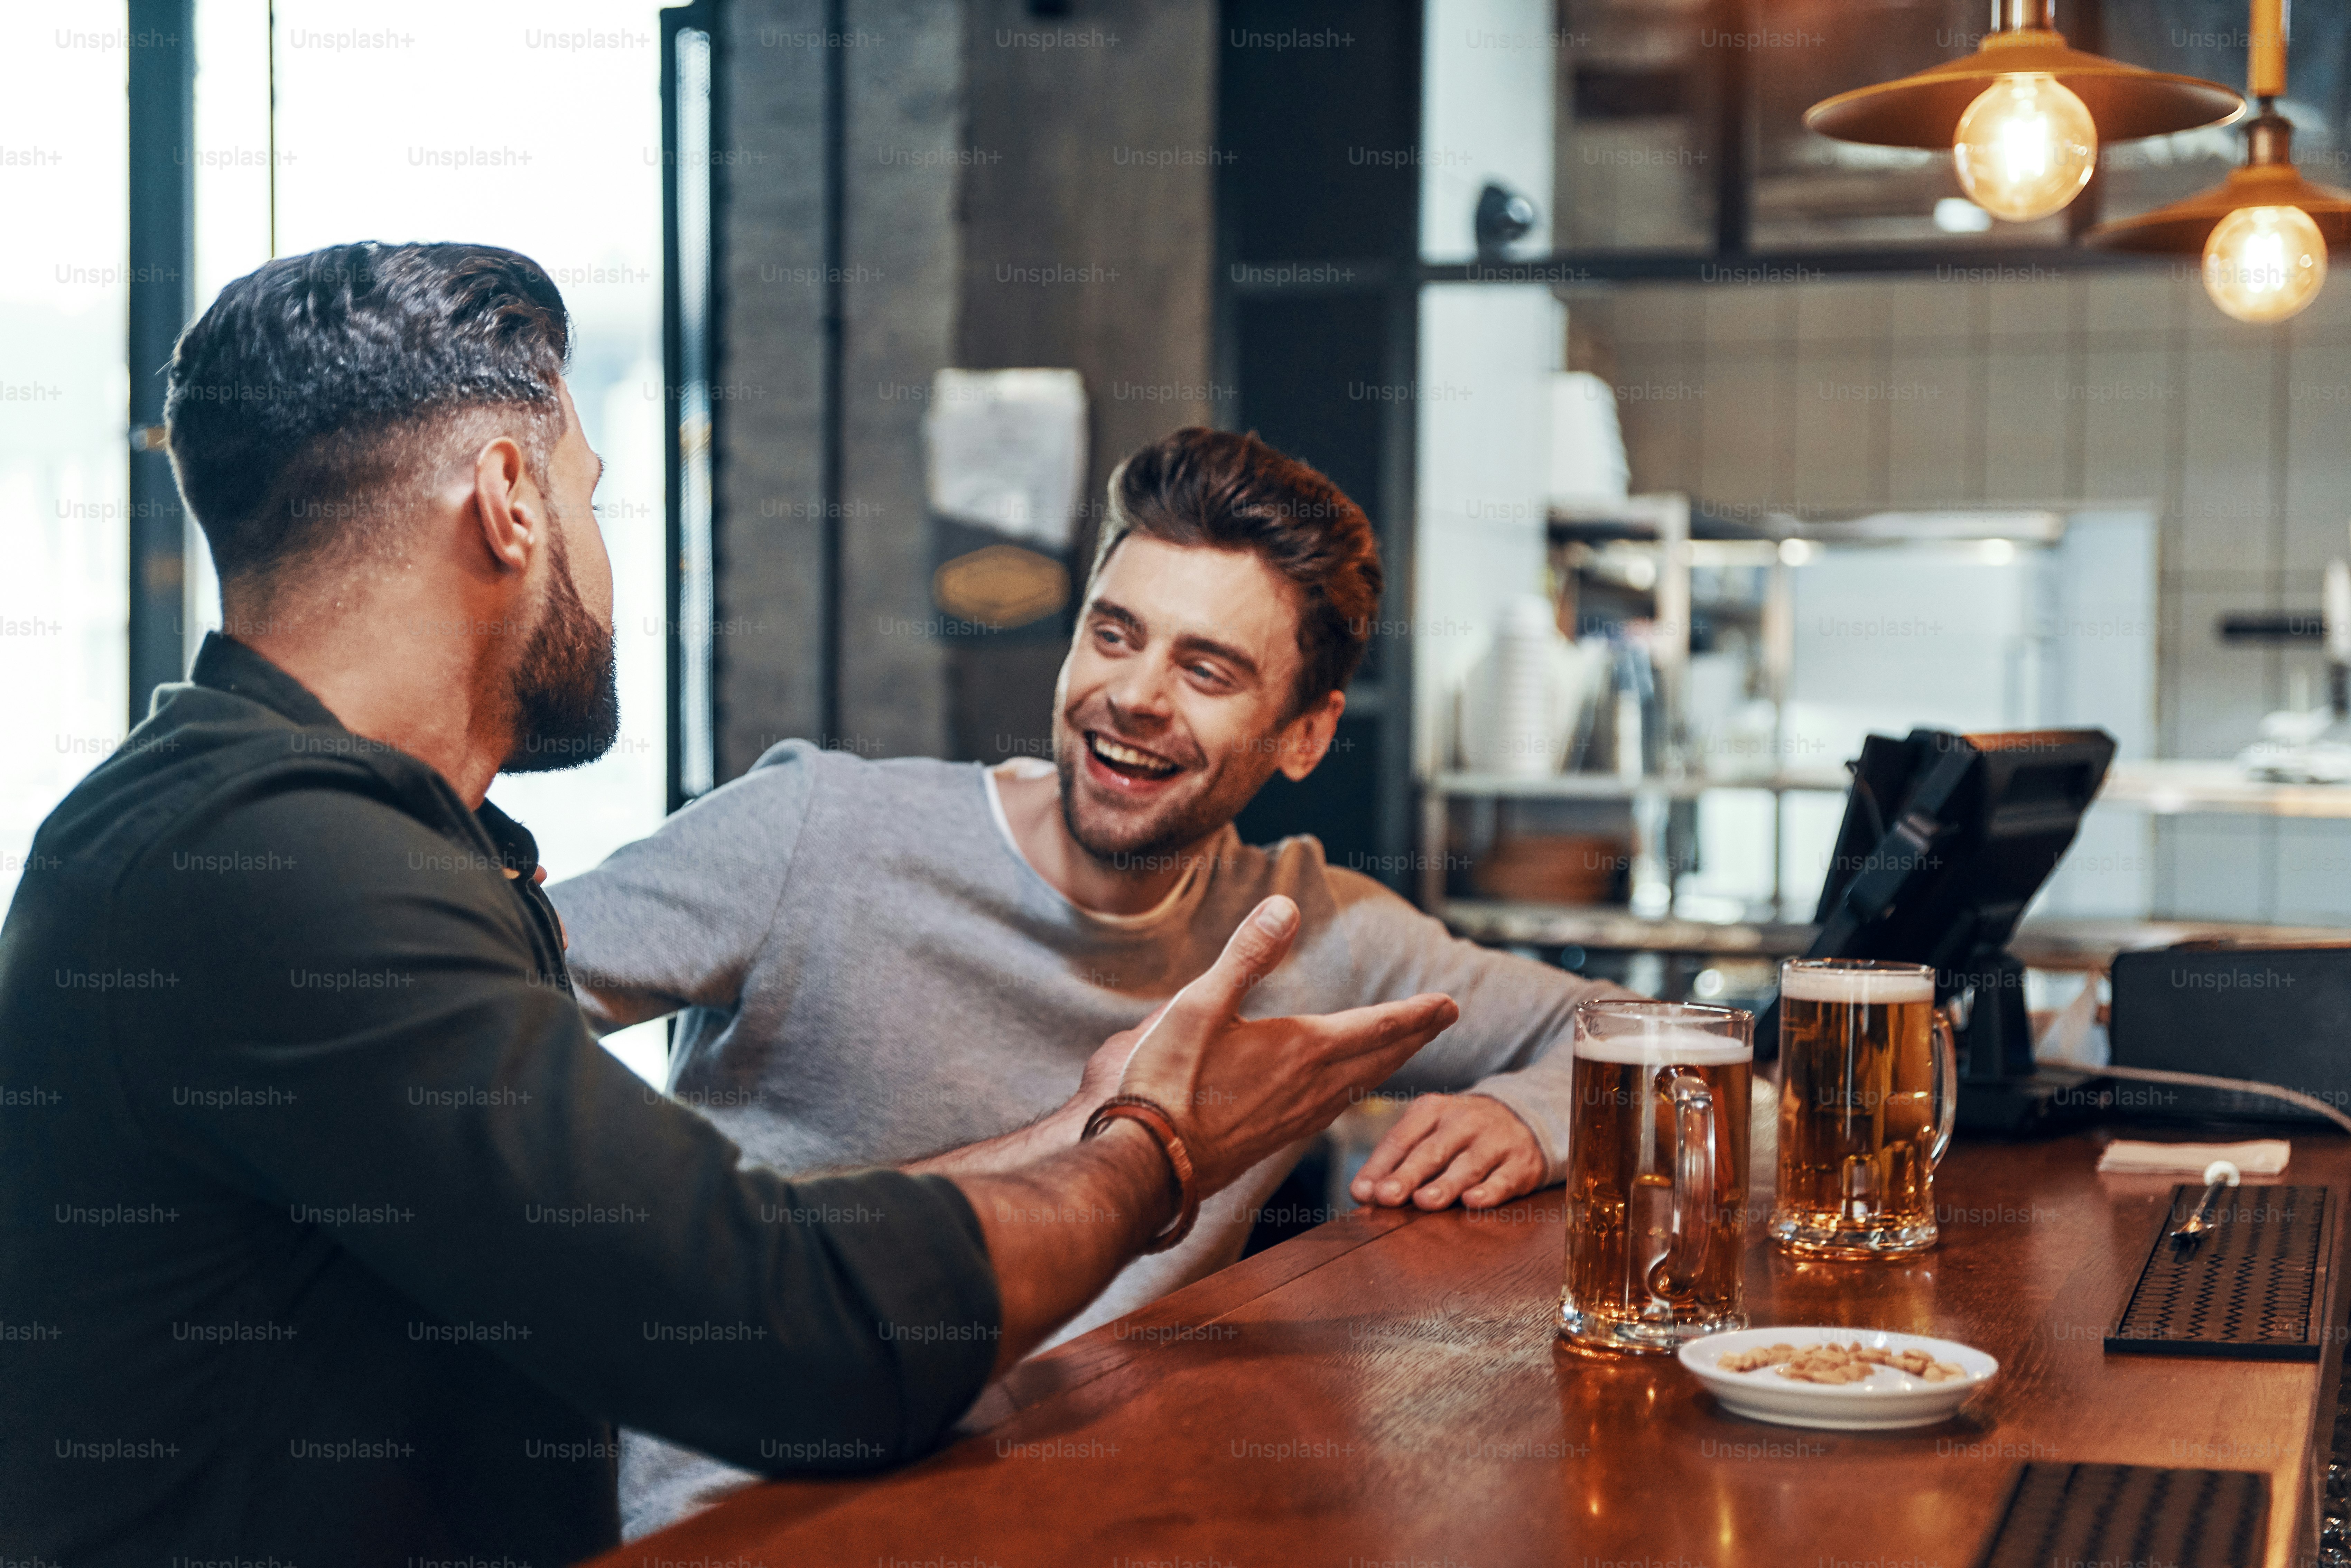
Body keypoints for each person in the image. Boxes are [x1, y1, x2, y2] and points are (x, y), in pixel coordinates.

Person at [0, 243, 1460, 1566]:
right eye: (588, 498)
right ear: (507, 502)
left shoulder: (328, 836)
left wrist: (1092, 1123)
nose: (603, 556)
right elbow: (783, 1331)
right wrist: (1156, 1151)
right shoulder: (284, 873)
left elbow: (711, 1241)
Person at [551, 426, 1632, 1533]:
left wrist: (1525, 1113)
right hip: (762, 1514)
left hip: (1089, 1503)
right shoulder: (813, 832)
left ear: (1305, 735)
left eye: (1206, 669)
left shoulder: (1316, 931)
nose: (1136, 696)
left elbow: (1632, 1028)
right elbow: (445, 1000)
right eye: (1114, 636)